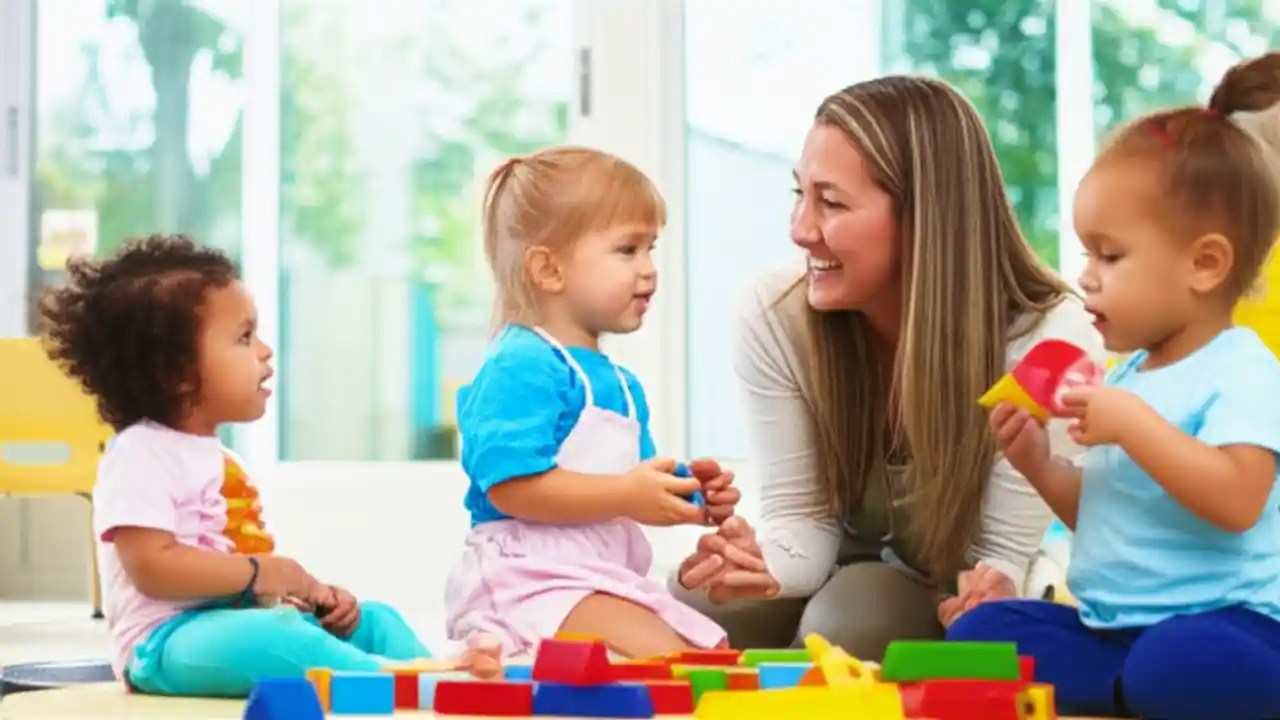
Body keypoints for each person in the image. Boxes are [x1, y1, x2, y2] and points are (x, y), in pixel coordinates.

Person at [672, 75, 1104, 660]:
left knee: (849, 618)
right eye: (799, 194)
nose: (800, 229)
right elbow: (800, 521)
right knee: (691, 600)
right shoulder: (774, 313)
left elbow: (994, 554)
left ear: (927, 216)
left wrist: (992, 583)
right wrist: (757, 563)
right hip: (830, 566)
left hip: (939, 583)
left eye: (831, 202)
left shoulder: (1051, 337)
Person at [950, 53, 1280, 720]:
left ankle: (1150, 687)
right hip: (1113, 628)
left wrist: (1131, 424)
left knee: (1184, 659)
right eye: (1085, 254)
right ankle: (1137, 692)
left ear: (1204, 264)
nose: (1088, 277)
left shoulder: (1243, 367)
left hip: (1230, 622)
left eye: (1111, 255)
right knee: (978, 634)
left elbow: (1240, 499)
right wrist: (1039, 466)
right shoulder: (1126, 373)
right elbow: (1110, 518)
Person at [39, 235, 499, 697]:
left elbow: (239, 572)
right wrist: (263, 572)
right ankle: (405, 685)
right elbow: (151, 569)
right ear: (177, 373)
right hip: (165, 643)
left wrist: (313, 596)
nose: (264, 351)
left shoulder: (219, 459)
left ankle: (445, 681)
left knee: (375, 619)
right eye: (243, 337)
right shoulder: (139, 452)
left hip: (235, 622)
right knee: (279, 638)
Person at [444, 147, 740, 659]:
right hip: (531, 575)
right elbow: (512, 488)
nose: (649, 271)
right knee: (671, 664)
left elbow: (630, 484)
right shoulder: (521, 363)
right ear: (549, 269)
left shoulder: (622, 383)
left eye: (652, 249)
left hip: (596, 574)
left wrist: (689, 493)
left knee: (705, 656)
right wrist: (628, 493)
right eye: (627, 250)